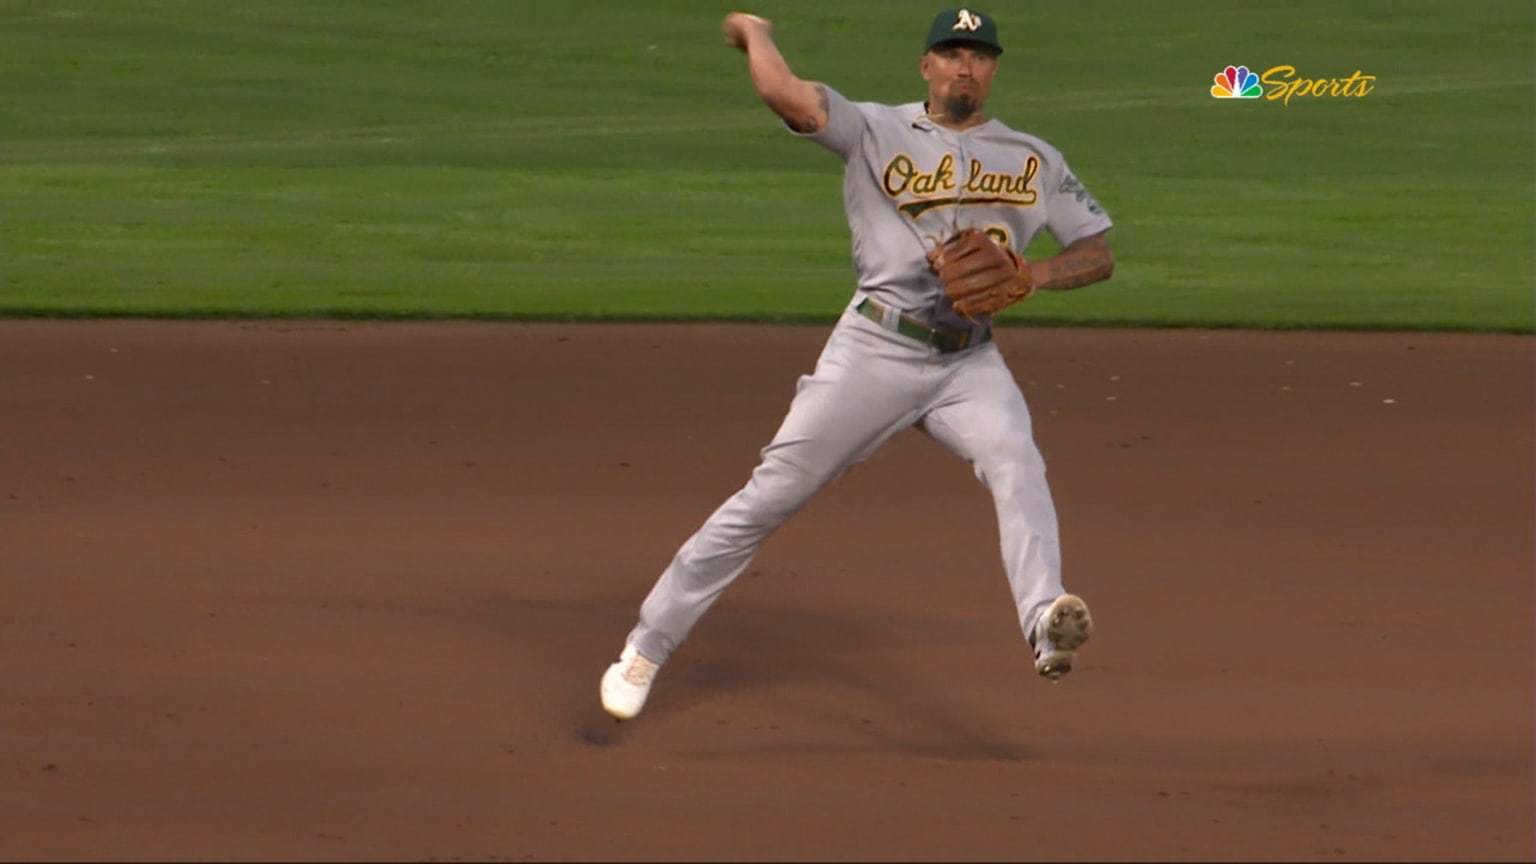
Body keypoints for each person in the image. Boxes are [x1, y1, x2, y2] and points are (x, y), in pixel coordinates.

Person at [600, 8, 1116, 721]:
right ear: (926, 66)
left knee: (1016, 461)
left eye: (980, 54)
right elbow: (788, 95)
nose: (966, 65)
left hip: (971, 362)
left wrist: (1038, 275)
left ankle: (1044, 624)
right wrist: (756, 36)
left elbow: (1097, 250)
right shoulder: (875, 128)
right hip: (874, 351)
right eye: (951, 52)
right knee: (771, 495)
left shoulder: (1035, 157)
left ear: (994, 69)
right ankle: (647, 645)